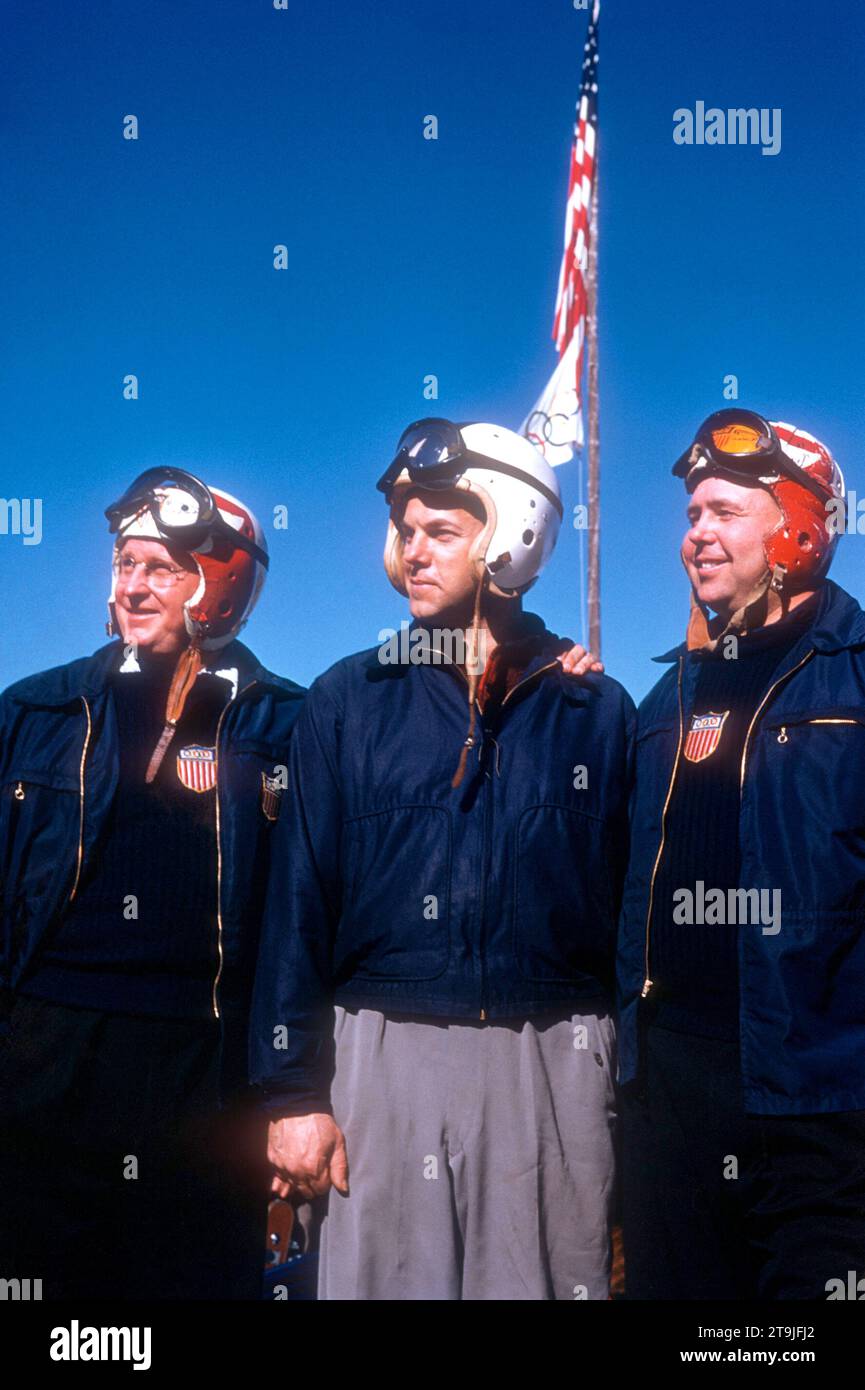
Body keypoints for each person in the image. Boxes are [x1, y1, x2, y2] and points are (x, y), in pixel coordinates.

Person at [250, 417, 635, 1300]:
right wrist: (290, 1094)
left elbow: (630, 918)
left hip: (552, 1066)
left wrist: (625, 1087)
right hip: (382, 1063)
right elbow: (296, 906)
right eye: (405, 532)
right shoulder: (348, 699)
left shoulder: (596, 711)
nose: (412, 551)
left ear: (511, 533)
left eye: (442, 531)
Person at [0, 467, 305, 1299]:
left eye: (160, 567)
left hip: (205, 1061)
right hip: (46, 1051)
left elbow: (310, 914)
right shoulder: (36, 711)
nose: (132, 586)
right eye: (123, 564)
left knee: (195, 1278)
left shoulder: (293, 724)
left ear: (221, 581)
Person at [617, 408, 865, 1300]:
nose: (696, 536)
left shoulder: (857, 674)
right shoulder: (661, 697)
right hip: (668, 1092)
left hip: (820, 1097)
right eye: (690, 517)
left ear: (796, 526)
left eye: (722, 511)